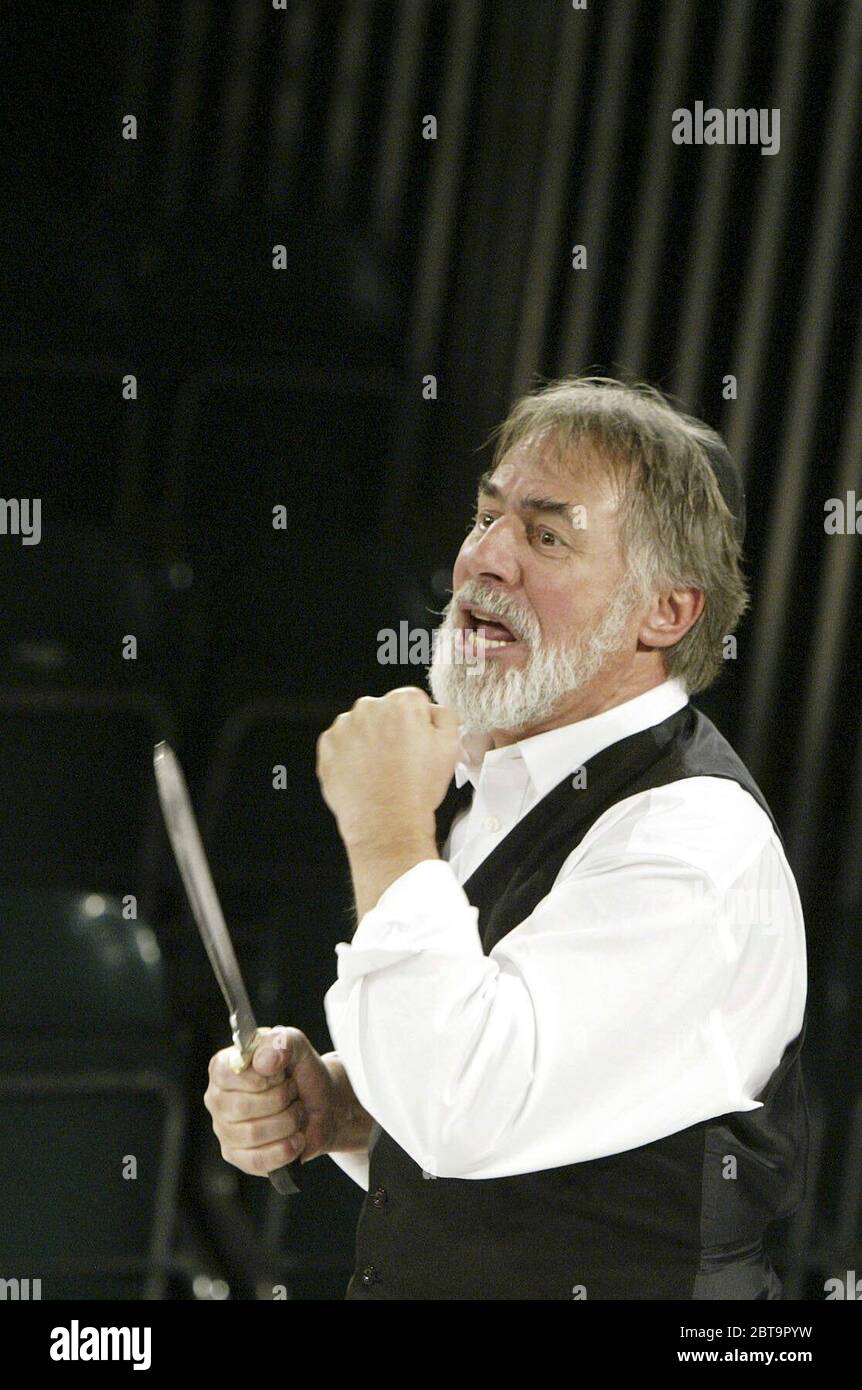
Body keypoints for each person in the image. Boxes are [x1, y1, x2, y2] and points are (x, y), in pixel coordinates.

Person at [205, 375, 808, 1300]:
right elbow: (522, 1106)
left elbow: (463, 1103)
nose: (483, 560)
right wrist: (348, 1111)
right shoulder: (506, 782)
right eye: (486, 518)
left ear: (667, 613)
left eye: (546, 534)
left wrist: (384, 826)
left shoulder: (694, 844)